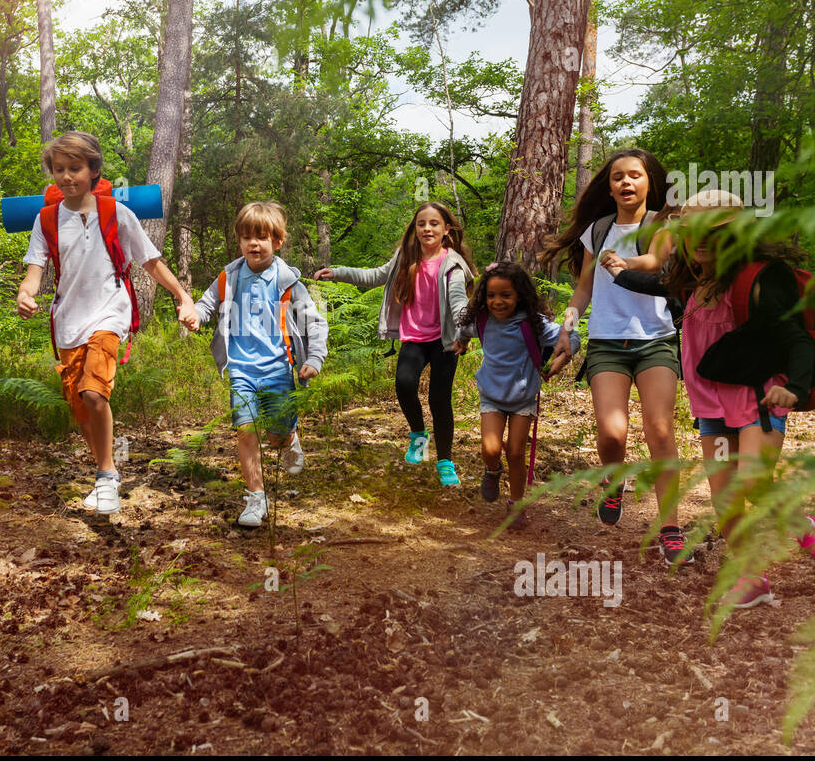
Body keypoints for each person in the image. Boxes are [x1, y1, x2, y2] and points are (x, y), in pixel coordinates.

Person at [603, 189, 815, 607]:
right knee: (724, 497)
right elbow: (654, 283)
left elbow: (796, 340)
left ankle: (809, 530)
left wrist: (796, 389)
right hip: (710, 411)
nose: (700, 241)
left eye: (712, 233)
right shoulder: (691, 281)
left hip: (758, 401)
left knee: (754, 482)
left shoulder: (760, 279)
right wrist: (619, 270)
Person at [16, 130, 198, 514]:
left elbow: (151, 262)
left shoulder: (117, 213)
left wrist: (183, 298)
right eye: (59, 169)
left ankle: (104, 476)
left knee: (96, 392)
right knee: (83, 406)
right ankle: (108, 472)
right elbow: (36, 268)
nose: (66, 177)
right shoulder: (46, 219)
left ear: (94, 170)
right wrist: (26, 293)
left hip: (110, 314)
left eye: (75, 168)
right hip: (67, 320)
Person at [539, 149, 684, 562]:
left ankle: (671, 527)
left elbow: (655, 262)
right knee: (612, 432)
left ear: (649, 182)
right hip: (606, 342)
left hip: (655, 339)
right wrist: (568, 328)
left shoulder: (661, 223)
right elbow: (583, 288)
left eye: (634, 175)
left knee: (659, 429)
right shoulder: (598, 230)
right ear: (609, 186)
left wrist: (624, 262)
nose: (626, 182)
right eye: (618, 176)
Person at [314, 202, 476, 486]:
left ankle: (445, 461)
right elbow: (375, 276)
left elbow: (460, 302)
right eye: (422, 223)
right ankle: (418, 435)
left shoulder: (453, 265)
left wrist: (464, 333)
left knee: (440, 400)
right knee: (403, 383)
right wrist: (337, 272)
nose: (427, 228)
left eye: (434, 223)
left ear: (446, 229)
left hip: (444, 341)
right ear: (415, 228)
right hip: (414, 337)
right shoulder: (405, 257)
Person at [192, 202, 328, 527]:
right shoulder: (230, 276)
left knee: (276, 435)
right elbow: (207, 303)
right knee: (245, 430)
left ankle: (289, 438)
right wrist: (195, 315)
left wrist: (314, 358)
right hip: (241, 369)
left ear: (277, 241)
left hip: (279, 367)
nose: (253, 243)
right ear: (239, 240)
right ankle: (256, 498)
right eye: (247, 236)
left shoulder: (288, 281)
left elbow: (313, 322)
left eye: (261, 237)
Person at [454, 261, 580, 526]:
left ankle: (516, 504)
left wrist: (567, 351)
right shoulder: (483, 321)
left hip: (523, 398)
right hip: (491, 395)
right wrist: (461, 342)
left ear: (520, 295)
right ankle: (492, 469)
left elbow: (569, 335)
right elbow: (464, 329)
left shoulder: (533, 324)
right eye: (491, 295)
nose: (497, 301)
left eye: (505, 295)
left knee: (515, 451)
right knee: (489, 449)